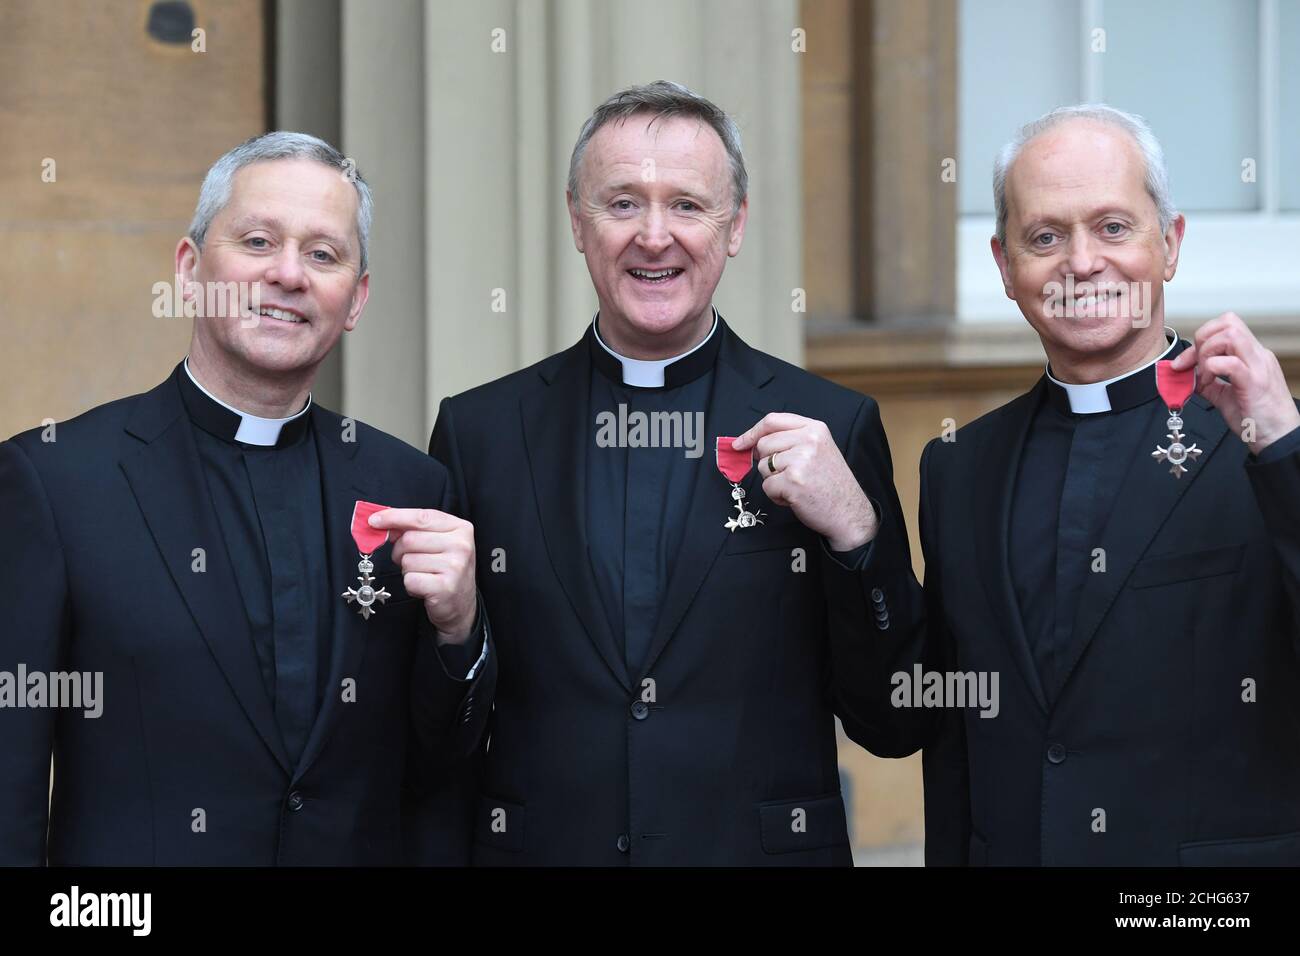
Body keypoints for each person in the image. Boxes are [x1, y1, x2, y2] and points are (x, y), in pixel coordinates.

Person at [429, 80, 929, 865]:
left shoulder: (833, 426)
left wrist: (857, 538)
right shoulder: (481, 432)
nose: (654, 236)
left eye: (688, 206)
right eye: (621, 203)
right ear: (576, 222)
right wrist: (456, 636)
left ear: (735, 226)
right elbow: (439, 727)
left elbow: (896, 721)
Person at [0, 132, 494, 865]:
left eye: (323, 254)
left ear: (355, 299)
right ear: (191, 269)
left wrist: (461, 632)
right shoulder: (57, 482)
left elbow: (437, 774)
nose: (288, 274)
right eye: (258, 241)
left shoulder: (412, 489)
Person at [921, 105, 1300, 865]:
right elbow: (954, 734)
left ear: (1172, 244)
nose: (1082, 263)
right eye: (1045, 237)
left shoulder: (1268, 438)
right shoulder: (958, 468)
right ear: (1005, 266)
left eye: (1114, 227)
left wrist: (1282, 446)